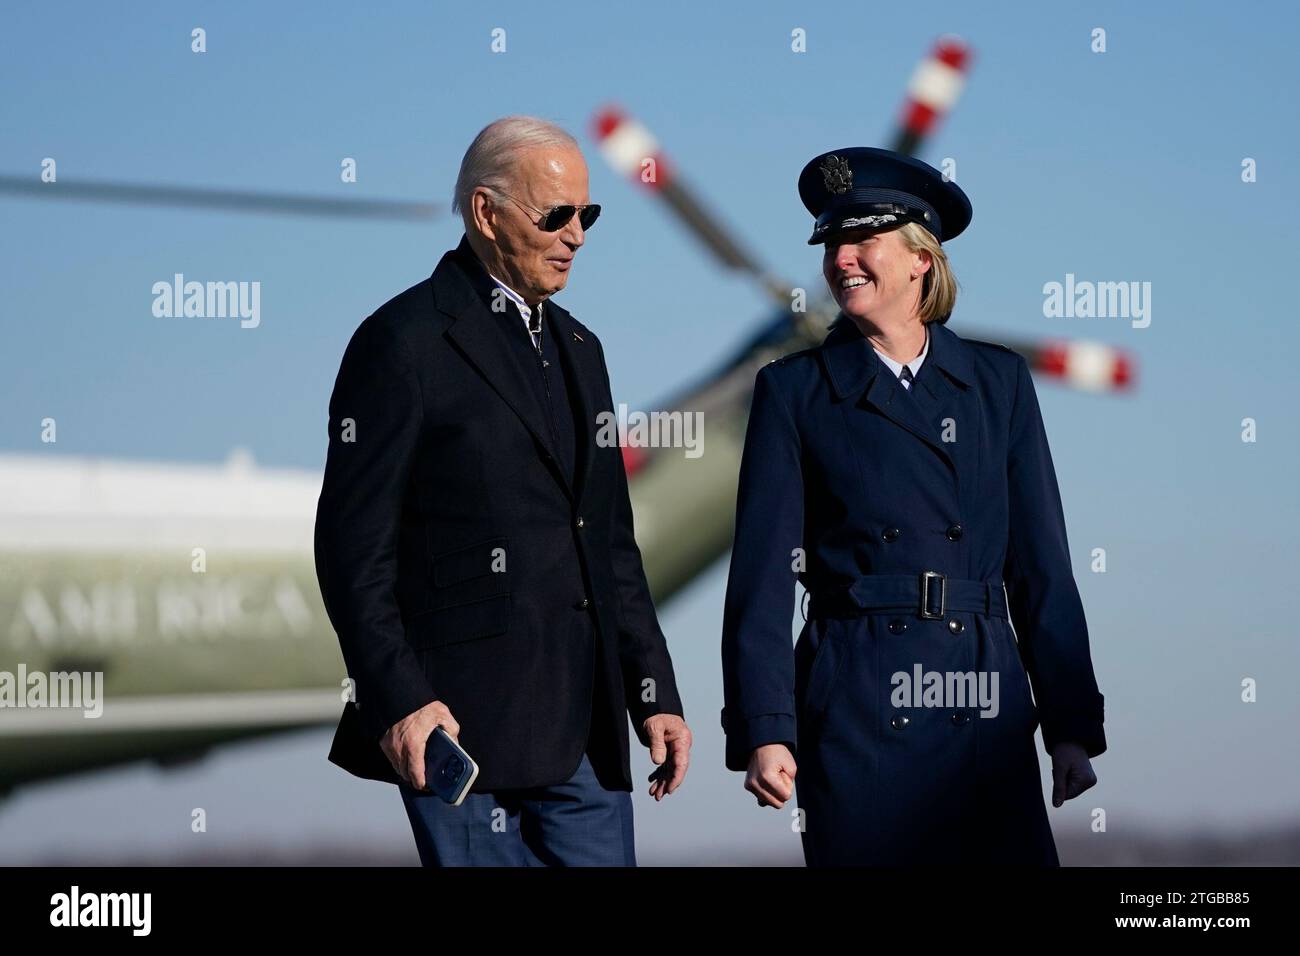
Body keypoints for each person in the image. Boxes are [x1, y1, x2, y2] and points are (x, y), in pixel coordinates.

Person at [314, 116, 691, 867]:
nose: (577, 234)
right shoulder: (400, 342)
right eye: (555, 215)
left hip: (587, 735)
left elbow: (609, 539)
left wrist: (654, 689)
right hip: (459, 734)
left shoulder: (584, 350)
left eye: (588, 214)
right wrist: (399, 700)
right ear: (486, 213)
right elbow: (351, 548)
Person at [720, 147, 1105, 866]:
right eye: (833, 244)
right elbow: (762, 577)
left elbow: (1042, 566)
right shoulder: (794, 391)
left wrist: (1070, 725)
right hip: (857, 706)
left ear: (921, 257)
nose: (842, 260)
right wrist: (766, 728)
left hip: (982, 706)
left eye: (862, 240)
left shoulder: (998, 384)